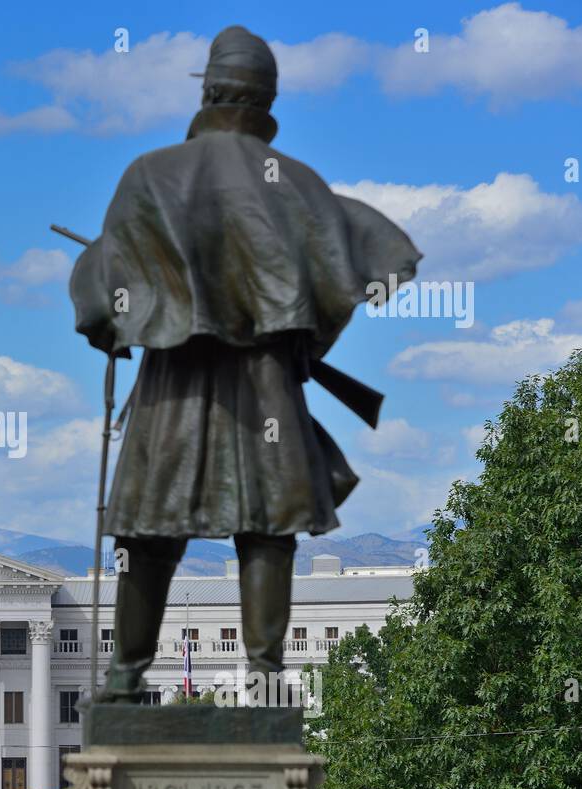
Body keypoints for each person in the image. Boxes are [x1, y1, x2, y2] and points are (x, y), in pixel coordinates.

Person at [70, 25, 420, 703]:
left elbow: (105, 287)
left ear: (206, 90)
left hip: (173, 381)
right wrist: (297, 344)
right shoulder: (298, 183)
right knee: (269, 525)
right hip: (267, 385)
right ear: (266, 100)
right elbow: (347, 278)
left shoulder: (150, 175)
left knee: (149, 527)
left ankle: (124, 676)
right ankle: (265, 673)